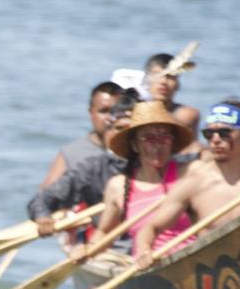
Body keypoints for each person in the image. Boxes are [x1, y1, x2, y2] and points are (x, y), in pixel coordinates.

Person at [134, 103, 240, 267]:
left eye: (224, 133)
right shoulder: (194, 184)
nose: (215, 140)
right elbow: (150, 228)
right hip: (213, 273)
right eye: (209, 134)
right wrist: (144, 250)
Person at [78, 101, 194, 260]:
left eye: (164, 137)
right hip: (145, 265)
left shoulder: (189, 174)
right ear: (134, 145)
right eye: (149, 138)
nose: (158, 145)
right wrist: (87, 249)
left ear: (172, 141)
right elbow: (104, 232)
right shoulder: (119, 186)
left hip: (189, 260)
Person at [28, 89, 139, 238]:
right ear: (109, 130)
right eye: (119, 129)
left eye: (131, 131)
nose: (124, 137)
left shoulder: (161, 166)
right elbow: (42, 200)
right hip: (105, 247)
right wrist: (43, 217)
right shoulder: (93, 168)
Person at [40, 81, 125, 188]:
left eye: (115, 111)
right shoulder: (72, 153)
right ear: (91, 112)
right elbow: (45, 197)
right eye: (103, 111)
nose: (109, 118)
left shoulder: (133, 150)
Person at [143, 53, 201, 142]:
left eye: (170, 76)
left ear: (178, 84)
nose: (163, 81)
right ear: (146, 80)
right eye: (158, 75)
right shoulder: (134, 110)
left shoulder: (186, 115)